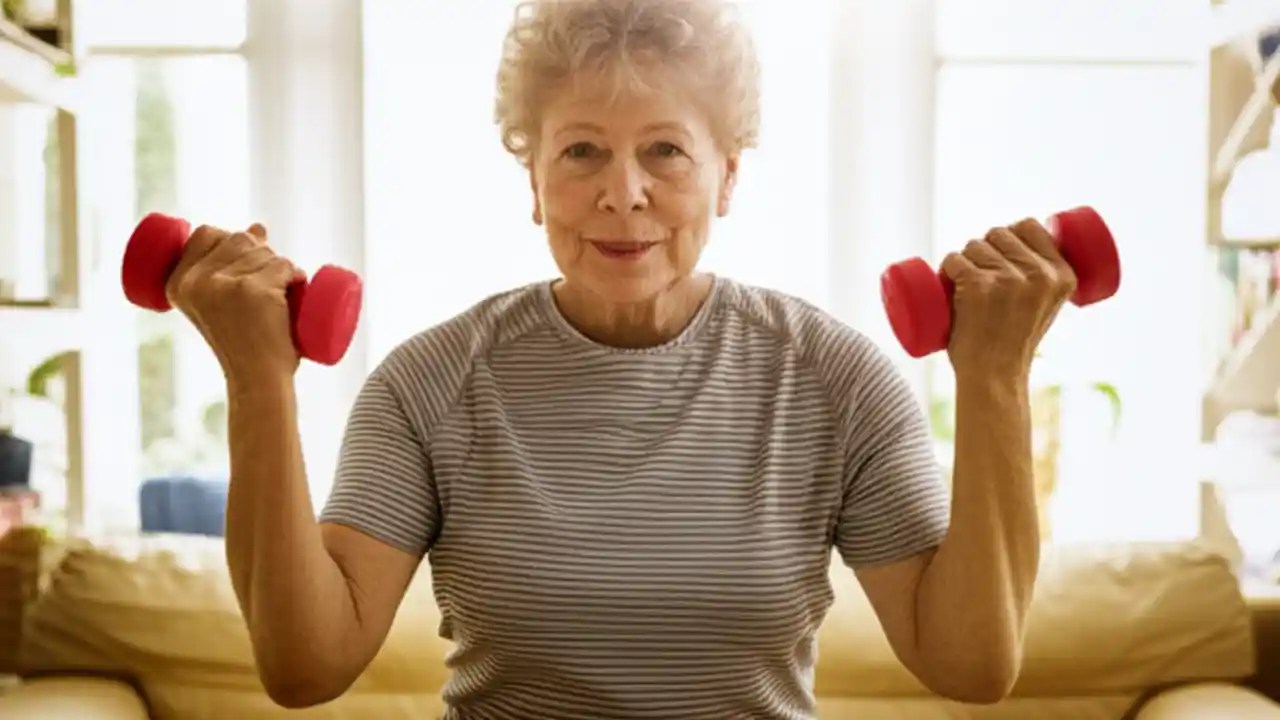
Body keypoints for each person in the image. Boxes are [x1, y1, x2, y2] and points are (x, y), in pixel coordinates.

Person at [166, 0, 1076, 717]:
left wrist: (994, 377)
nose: (623, 194)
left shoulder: (834, 379)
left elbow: (971, 664)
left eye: (666, 151)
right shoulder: (429, 382)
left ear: (729, 174)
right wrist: (258, 380)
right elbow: (304, 666)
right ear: (534, 182)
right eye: (583, 152)